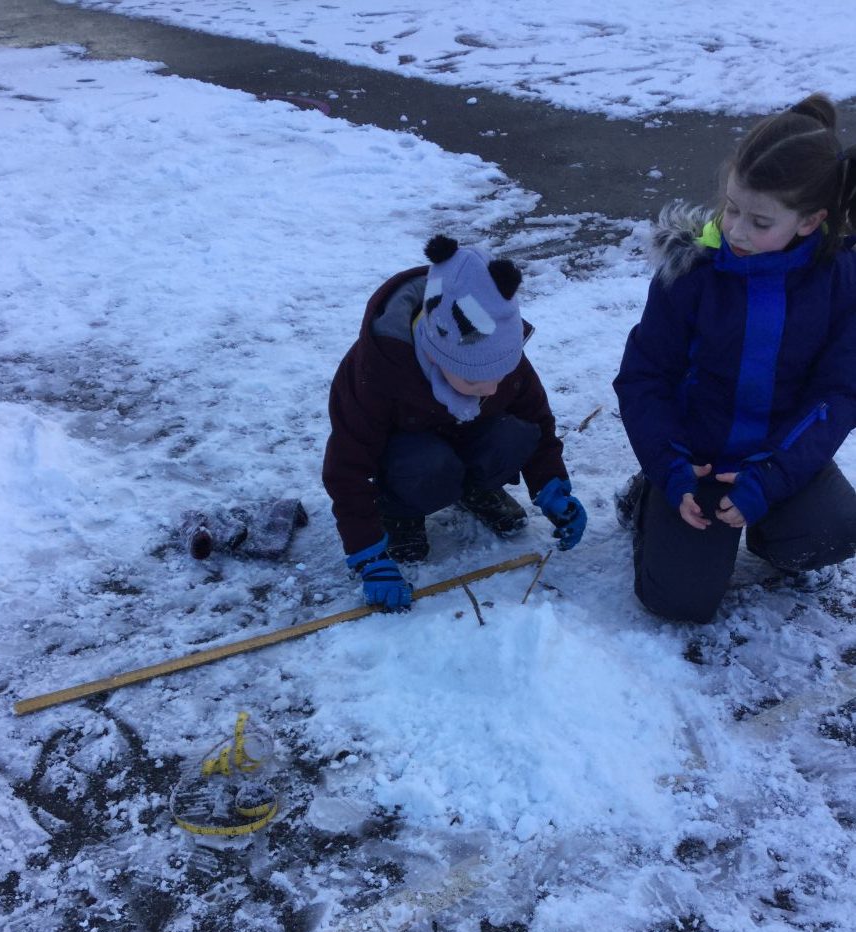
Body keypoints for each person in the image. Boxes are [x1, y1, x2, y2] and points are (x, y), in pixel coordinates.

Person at [613, 93, 856, 624]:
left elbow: (839, 393)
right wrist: (668, 465)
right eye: (732, 207)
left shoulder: (840, 281)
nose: (737, 230)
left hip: (776, 457)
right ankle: (649, 502)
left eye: (760, 221)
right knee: (678, 601)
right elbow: (643, 376)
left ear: (811, 222)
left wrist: (772, 478)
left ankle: (770, 527)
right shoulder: (691, 272)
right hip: (694, 458)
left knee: (834, 531)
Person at [322, 234, 587, 611]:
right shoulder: (377, 369)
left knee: (514, 435)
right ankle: (399, 512)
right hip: (407, 461)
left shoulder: (496, 353)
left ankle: (475, 490)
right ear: (437, 351)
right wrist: (367, 553)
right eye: (476, 382)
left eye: (502, 373)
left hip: (465, 438)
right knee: (428, 464)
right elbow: (347, 468)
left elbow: (537, 422)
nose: (492, 388)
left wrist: (552, 486)